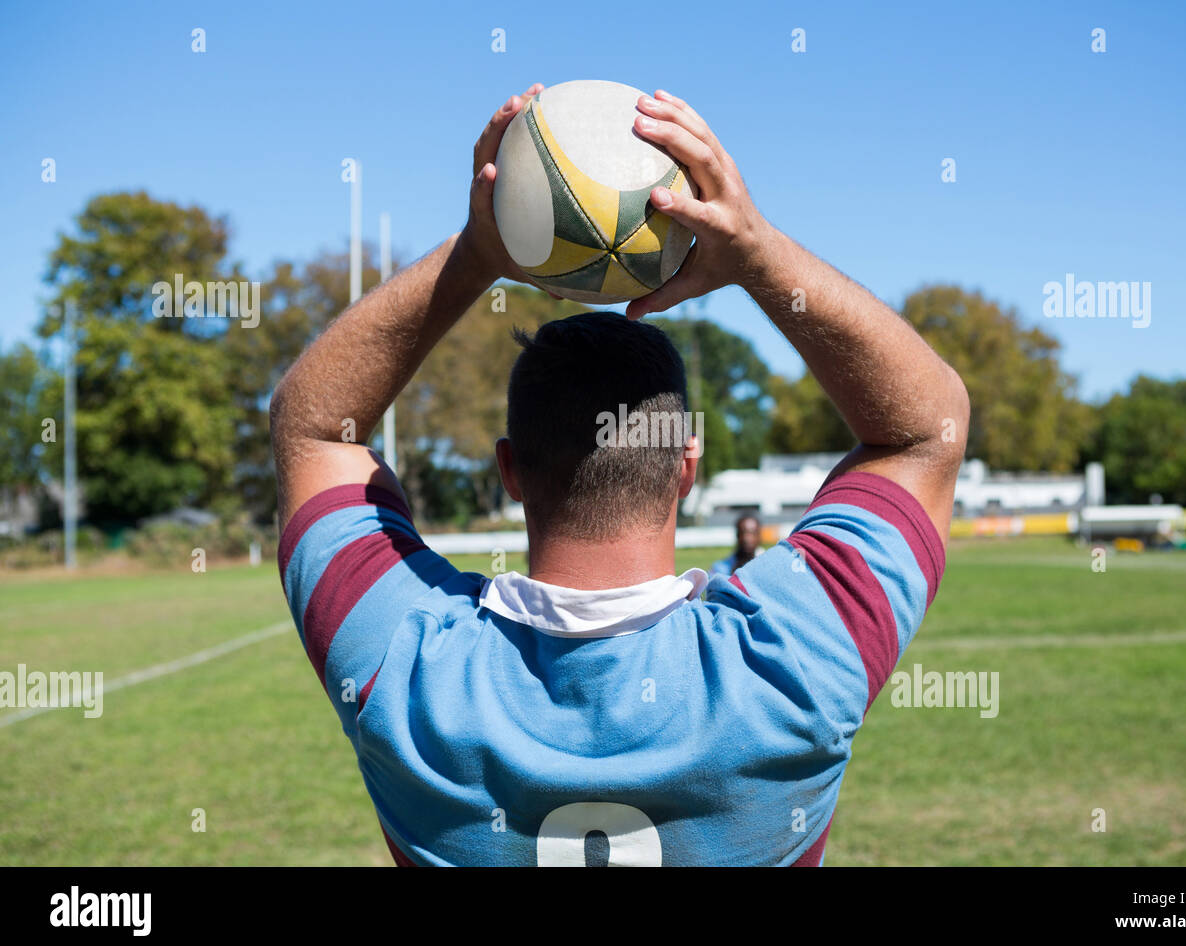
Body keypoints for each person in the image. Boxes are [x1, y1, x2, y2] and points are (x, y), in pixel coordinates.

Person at [271, 83, 970, 866]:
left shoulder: (405, 669)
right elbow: (923, 432)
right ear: (688, 467)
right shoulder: (791, 662)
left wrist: (478, 255)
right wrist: (756, 251)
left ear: (510, 471)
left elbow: (310, 430)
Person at [709, 513, 763, 580]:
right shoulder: (720, 569)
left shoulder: (767, 567)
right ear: (737, 535)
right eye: (743, 532)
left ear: (759, 535)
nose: (747, 538)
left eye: (752, 533)